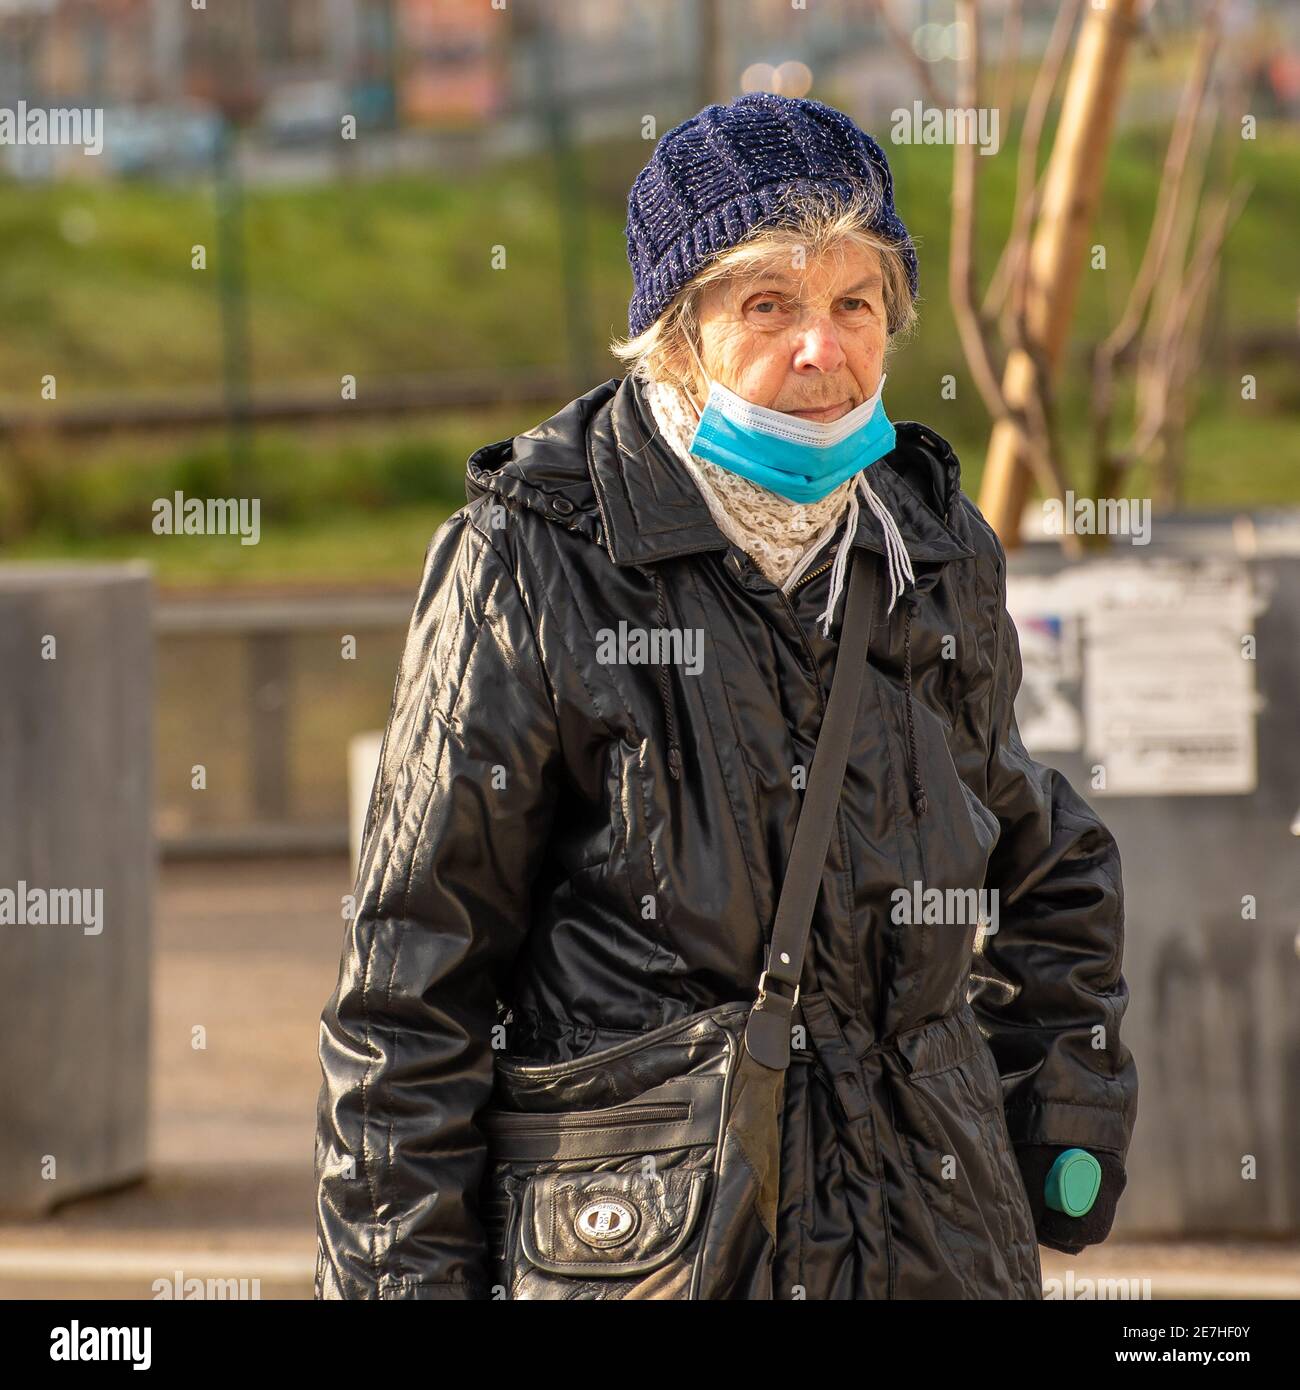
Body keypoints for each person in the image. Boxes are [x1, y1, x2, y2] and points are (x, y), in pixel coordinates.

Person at [313, 92, 1138, 1300]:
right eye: (770, 306)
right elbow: (410, 991)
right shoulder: (534, 557)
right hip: (648, 1249)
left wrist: (1062, 1107)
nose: (822, 347)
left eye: (854, 303)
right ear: (676, 333)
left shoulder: (930, 544)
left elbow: (1040, 852)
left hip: (930, 1244)